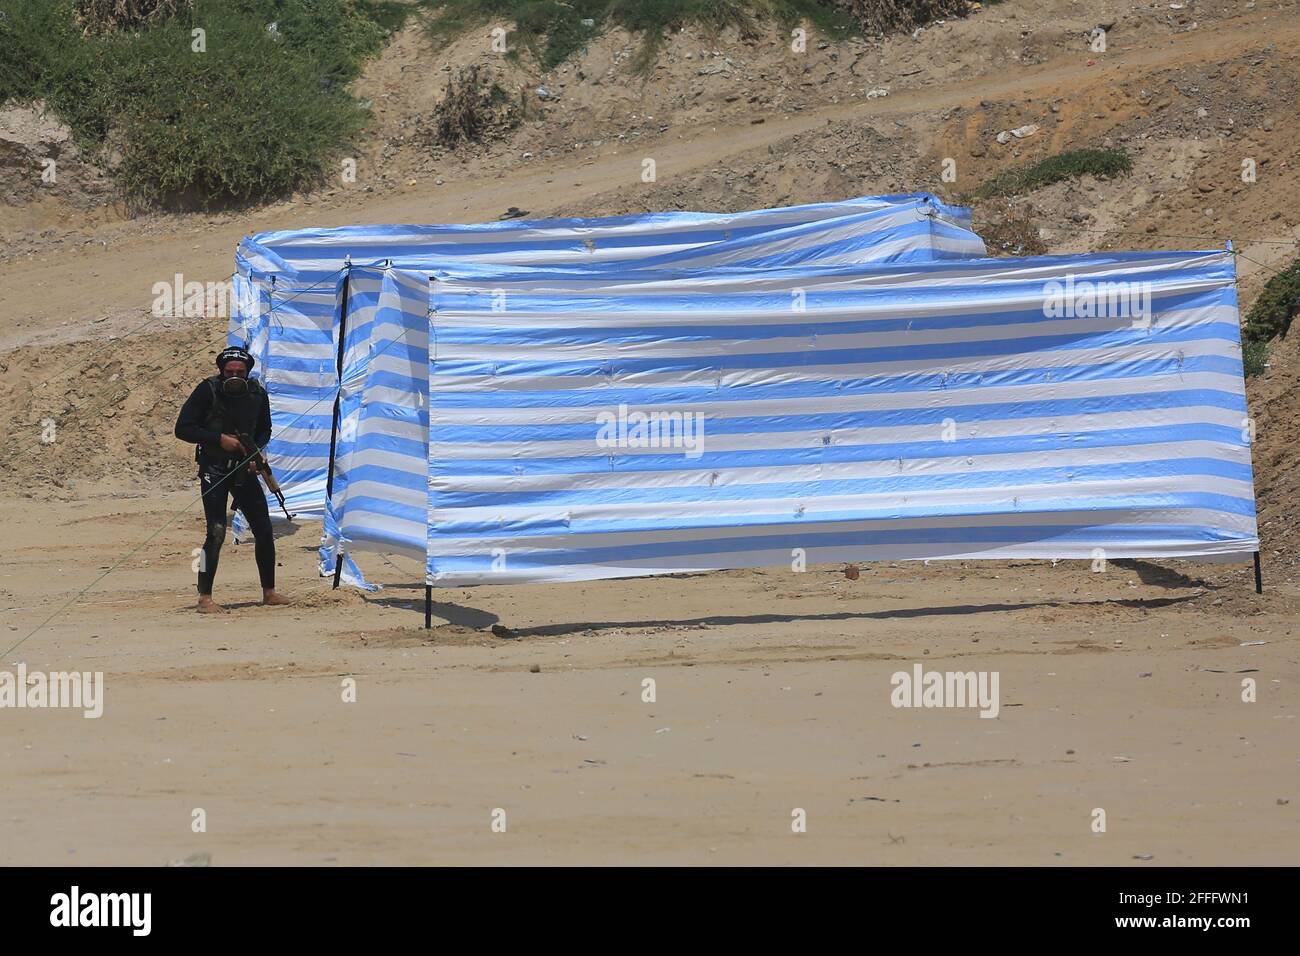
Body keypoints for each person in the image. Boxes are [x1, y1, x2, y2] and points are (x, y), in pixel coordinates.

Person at [174, 346, 291, 613]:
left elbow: (265, 429)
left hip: (245, 469)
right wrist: (218, 439)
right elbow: (183, 428)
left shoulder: (257, 393)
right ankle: (205, 597)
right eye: (229, 372)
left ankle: (269, 592)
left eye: (240, 371)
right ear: (221, 371)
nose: (234, 376)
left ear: (248, 372)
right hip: (213, 470)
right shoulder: (208, 390)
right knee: (215, 533)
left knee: (263, 529)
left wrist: (255, 454)